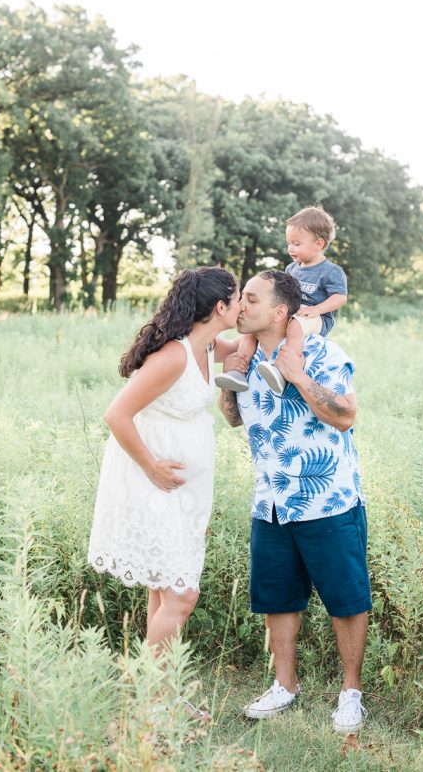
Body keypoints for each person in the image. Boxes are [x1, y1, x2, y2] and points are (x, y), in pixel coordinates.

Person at [218, 270, 371, 733]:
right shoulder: (243, 357)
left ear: (280, 311)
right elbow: (233, 420)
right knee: (277, 598)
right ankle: (285, 684)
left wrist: (299, 376)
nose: (240, 306)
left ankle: (351, 692)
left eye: (250, 298)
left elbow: (345, 416)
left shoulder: (320, 352)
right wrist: (232, 384)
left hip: (327, 498)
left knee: (345, 598)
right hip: (271, 500)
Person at [88, 268, 241, 660]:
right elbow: (116, 414)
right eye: (240, 298)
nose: (242, 305)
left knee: (164, 587)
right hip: (150, 480)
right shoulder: (174, 355)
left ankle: (158, 699)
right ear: (221, 306)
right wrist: (152, 466)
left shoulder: (209, 346)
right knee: (182, 594)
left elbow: (245, 345)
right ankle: (148, 700)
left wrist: (290, 320)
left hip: (182, 489)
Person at [215, 205, 347, 395]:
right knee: (252, 330)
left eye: (296, 244)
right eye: (289, 243)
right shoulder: (292, 269)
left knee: (294, 326)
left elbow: (340, 297)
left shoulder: (330, 271)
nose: (290, 248)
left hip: (315, 317)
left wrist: (317, 309)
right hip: (293, 312)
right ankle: (238, 370)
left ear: (318, 244)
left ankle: (282, 370)